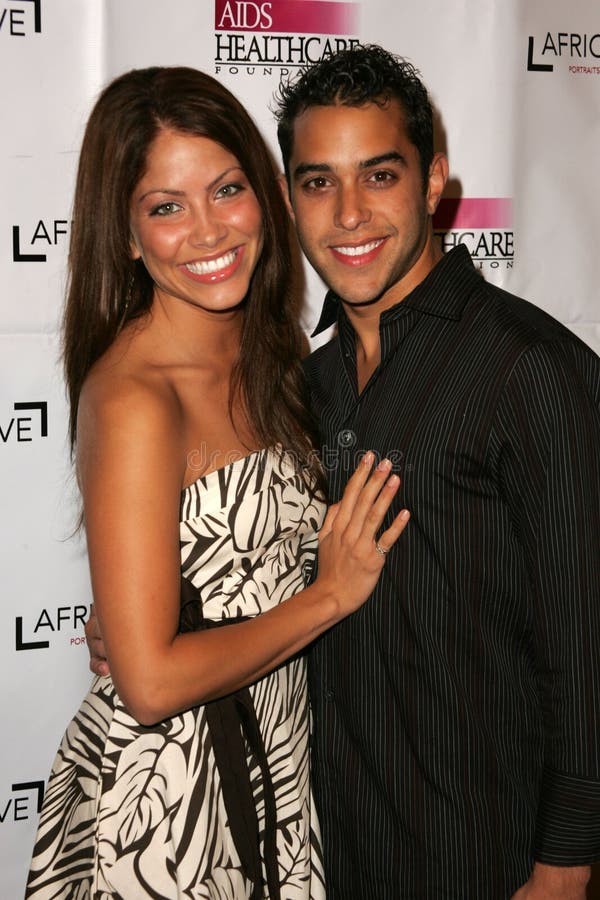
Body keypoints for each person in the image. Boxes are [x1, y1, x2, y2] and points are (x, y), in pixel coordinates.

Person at [25, 65, 410, 900]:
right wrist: (329, 596)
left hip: (280, 761)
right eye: (166, 207)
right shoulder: (135, 397)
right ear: (127, 235)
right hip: (175, 799)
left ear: (264, 195)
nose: (208, 231)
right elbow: (150, 683)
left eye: (226, 190)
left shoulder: (272, 353)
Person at [271, 44, 600, 899]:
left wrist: (565, 868)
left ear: (432, 184)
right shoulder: (303, 389)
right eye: (318, 182)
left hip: (487, 861)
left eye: (378, 176)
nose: (349, 214)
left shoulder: (531, 369)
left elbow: (587, 645)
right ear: (290, 200)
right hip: (332, 858)